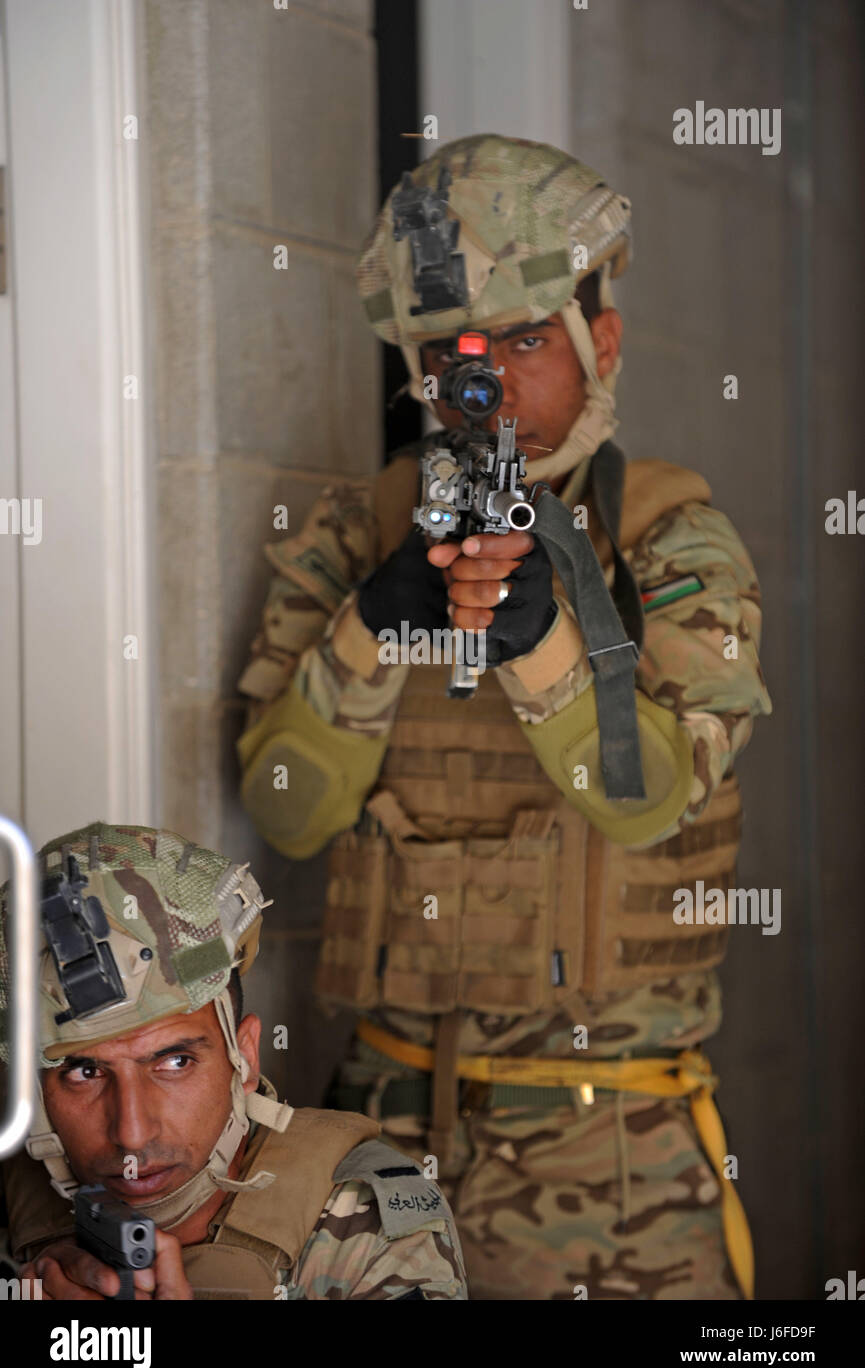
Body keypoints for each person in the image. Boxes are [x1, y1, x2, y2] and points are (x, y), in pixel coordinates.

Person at [236, 134, 772, 1301]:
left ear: (602, 342)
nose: (484, 387)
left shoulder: (673, 545)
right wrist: (374, 623)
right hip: (379, 1147)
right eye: (449, 353)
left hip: (604, 1156)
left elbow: (648, 807)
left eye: (527, 341)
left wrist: (545, 645)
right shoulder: (354, 536)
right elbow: (283, 811)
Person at [0, 822, 467, 1300]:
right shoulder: (11, 1205)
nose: (133, 1134)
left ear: (243, 1056)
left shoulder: (365, 1221)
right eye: (85, 1072)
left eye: (175, 1062)